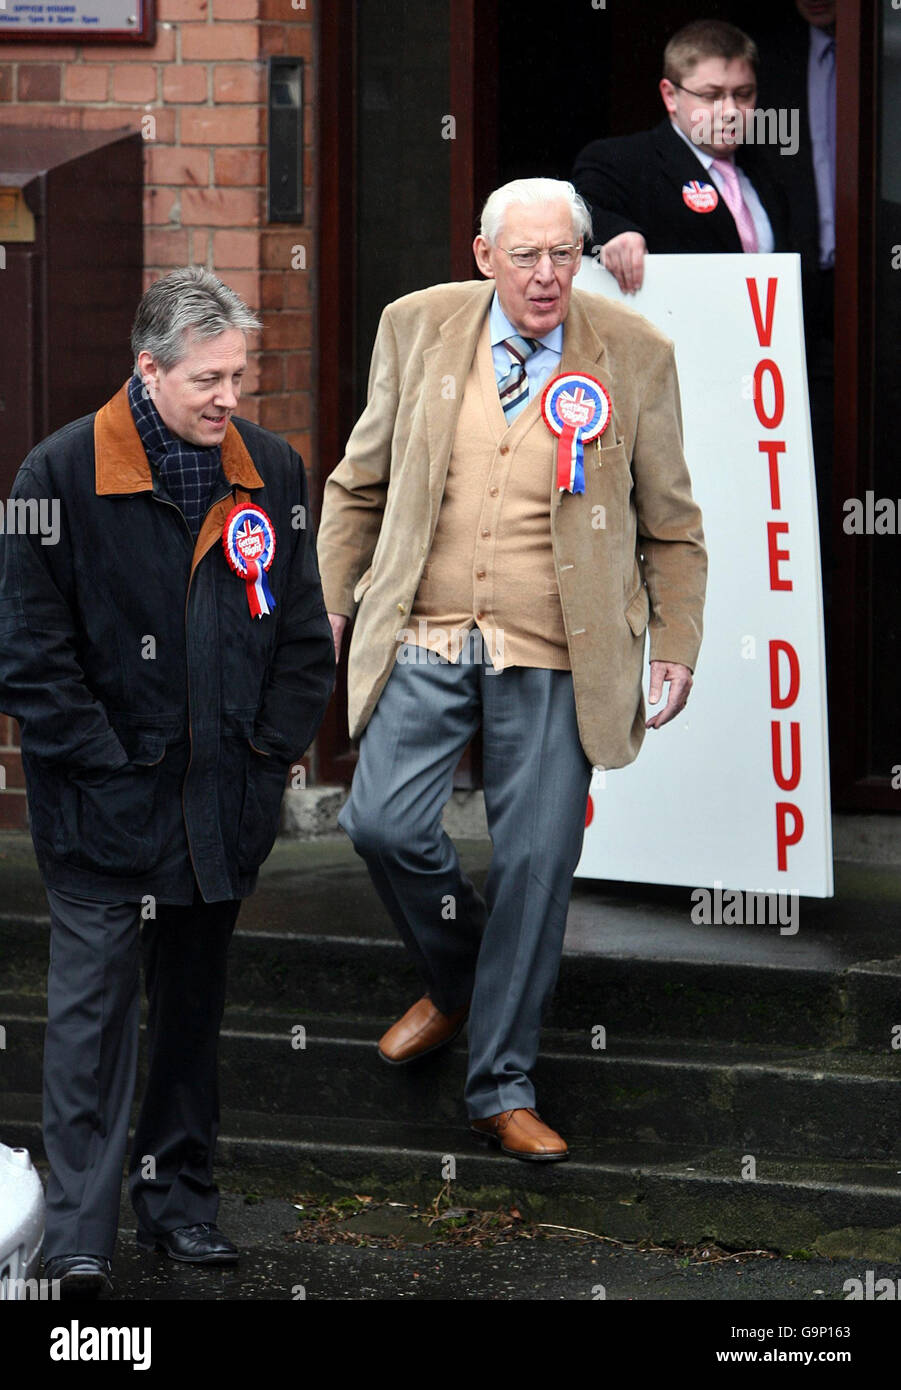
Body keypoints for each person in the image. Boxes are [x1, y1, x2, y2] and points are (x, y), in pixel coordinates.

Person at [316, 177, 707, 1163]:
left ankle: (501, 1084)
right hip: (431, 627)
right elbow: (358, 477)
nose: (545, 275)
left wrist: (676, 644)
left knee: (535, 862)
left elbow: (672, 524)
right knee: (380, 820)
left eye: (562, 255)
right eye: (524, 255)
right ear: (484, 255)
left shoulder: (635, 352)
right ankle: (457, 980)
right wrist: (330, 595)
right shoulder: (416, 327)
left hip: (559, 647)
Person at [0, 267, 335, 1297]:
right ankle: (79, 1235)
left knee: (191, 1022)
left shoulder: (271, 472)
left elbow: (304, 641)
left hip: (217, 814)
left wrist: (265, 756)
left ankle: (180, 1206)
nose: (229, 395)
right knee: (93, 1025)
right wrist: (105, 765)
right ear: (148, 371)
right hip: (103, 815)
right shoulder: (55, 477)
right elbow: (28, 654)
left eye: (240, 373)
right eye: (207, 378)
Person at [572, 19, 790, 294]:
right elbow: (577, 213)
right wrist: (614, 233)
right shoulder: (622, 161)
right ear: (670, 95)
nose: (731, 110)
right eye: (712, 96)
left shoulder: (766, 166)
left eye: (743, 94)